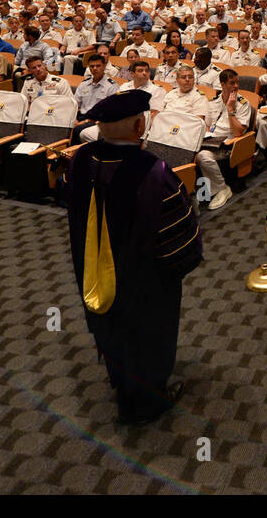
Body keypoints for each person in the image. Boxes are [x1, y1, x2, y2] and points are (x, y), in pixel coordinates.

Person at [65, 90, 202, 424]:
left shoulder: (81, 159)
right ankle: (146, 403)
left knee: (110, 323)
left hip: (94, 265)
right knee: (148, 333)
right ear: (139, 125)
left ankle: (119, 379)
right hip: (146, 278)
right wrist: (181, 264)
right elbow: (178, 232)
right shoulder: (153, 172)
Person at [196, 68, 253, 210]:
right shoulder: (213, 101)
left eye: (237, 82)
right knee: (190, 152)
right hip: (211, 140)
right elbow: (208, 125)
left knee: (203, 156)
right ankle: (199, 193)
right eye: (232, 83)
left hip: (229, 143)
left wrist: (230, 109)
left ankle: (222, 188)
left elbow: (238, 132)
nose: (236, 86)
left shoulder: (243, 103)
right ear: (222, 84)